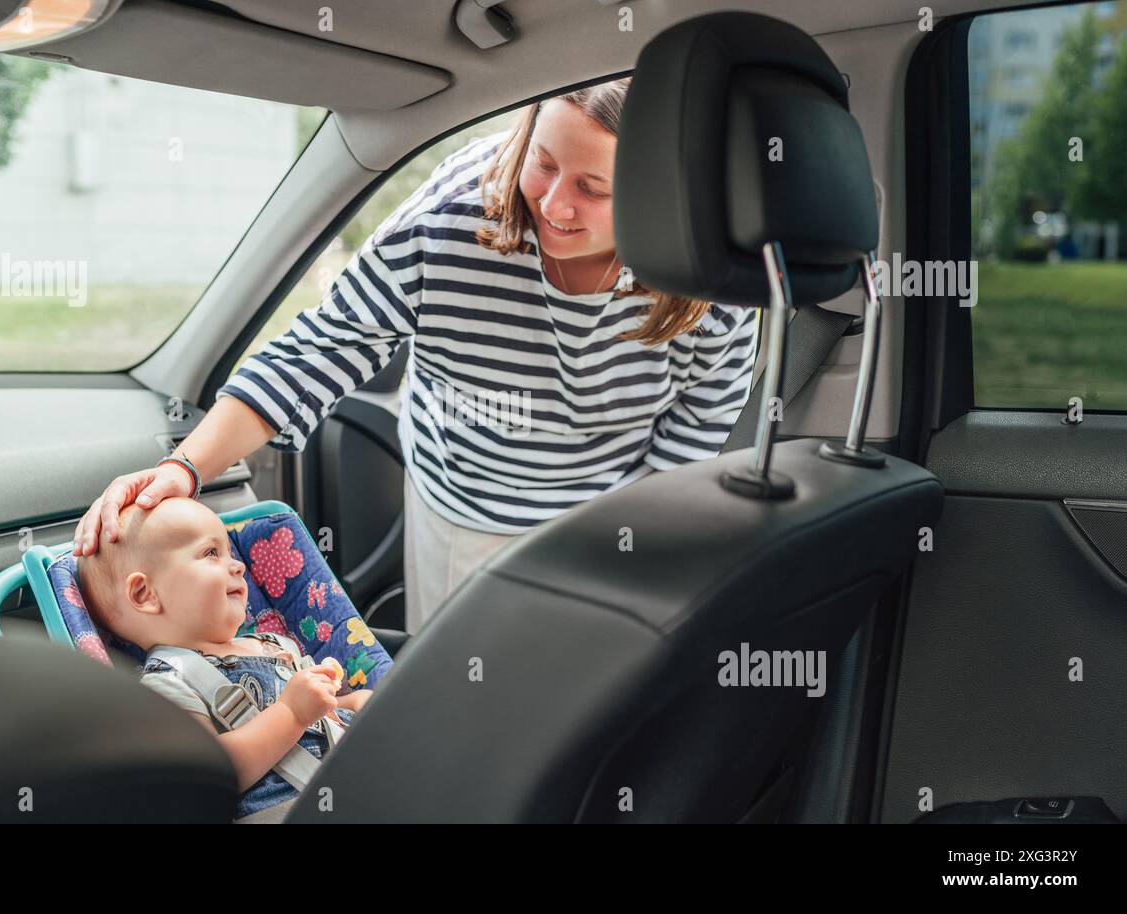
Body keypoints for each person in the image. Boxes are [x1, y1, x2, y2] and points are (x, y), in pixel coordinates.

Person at [74, 77, 757, 634]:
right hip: (461, 504)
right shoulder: (448, 221)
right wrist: (186, 466)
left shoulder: (713, 279)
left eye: (593, 189)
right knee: (463, 704)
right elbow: (322, 347)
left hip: (608, 517)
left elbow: (695, 430)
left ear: (661, 195)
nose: (553, 203)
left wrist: (623, 548)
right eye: (543, 162)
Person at [76, 497, 370, 821]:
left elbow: (316, 719)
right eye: (211, 553)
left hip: (358, 785)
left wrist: (349, 704)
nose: (238, 565)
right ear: (145, 594)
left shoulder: (273, 645)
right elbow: (208, 775)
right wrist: (291, 713)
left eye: (230, 552)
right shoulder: (165, 684)